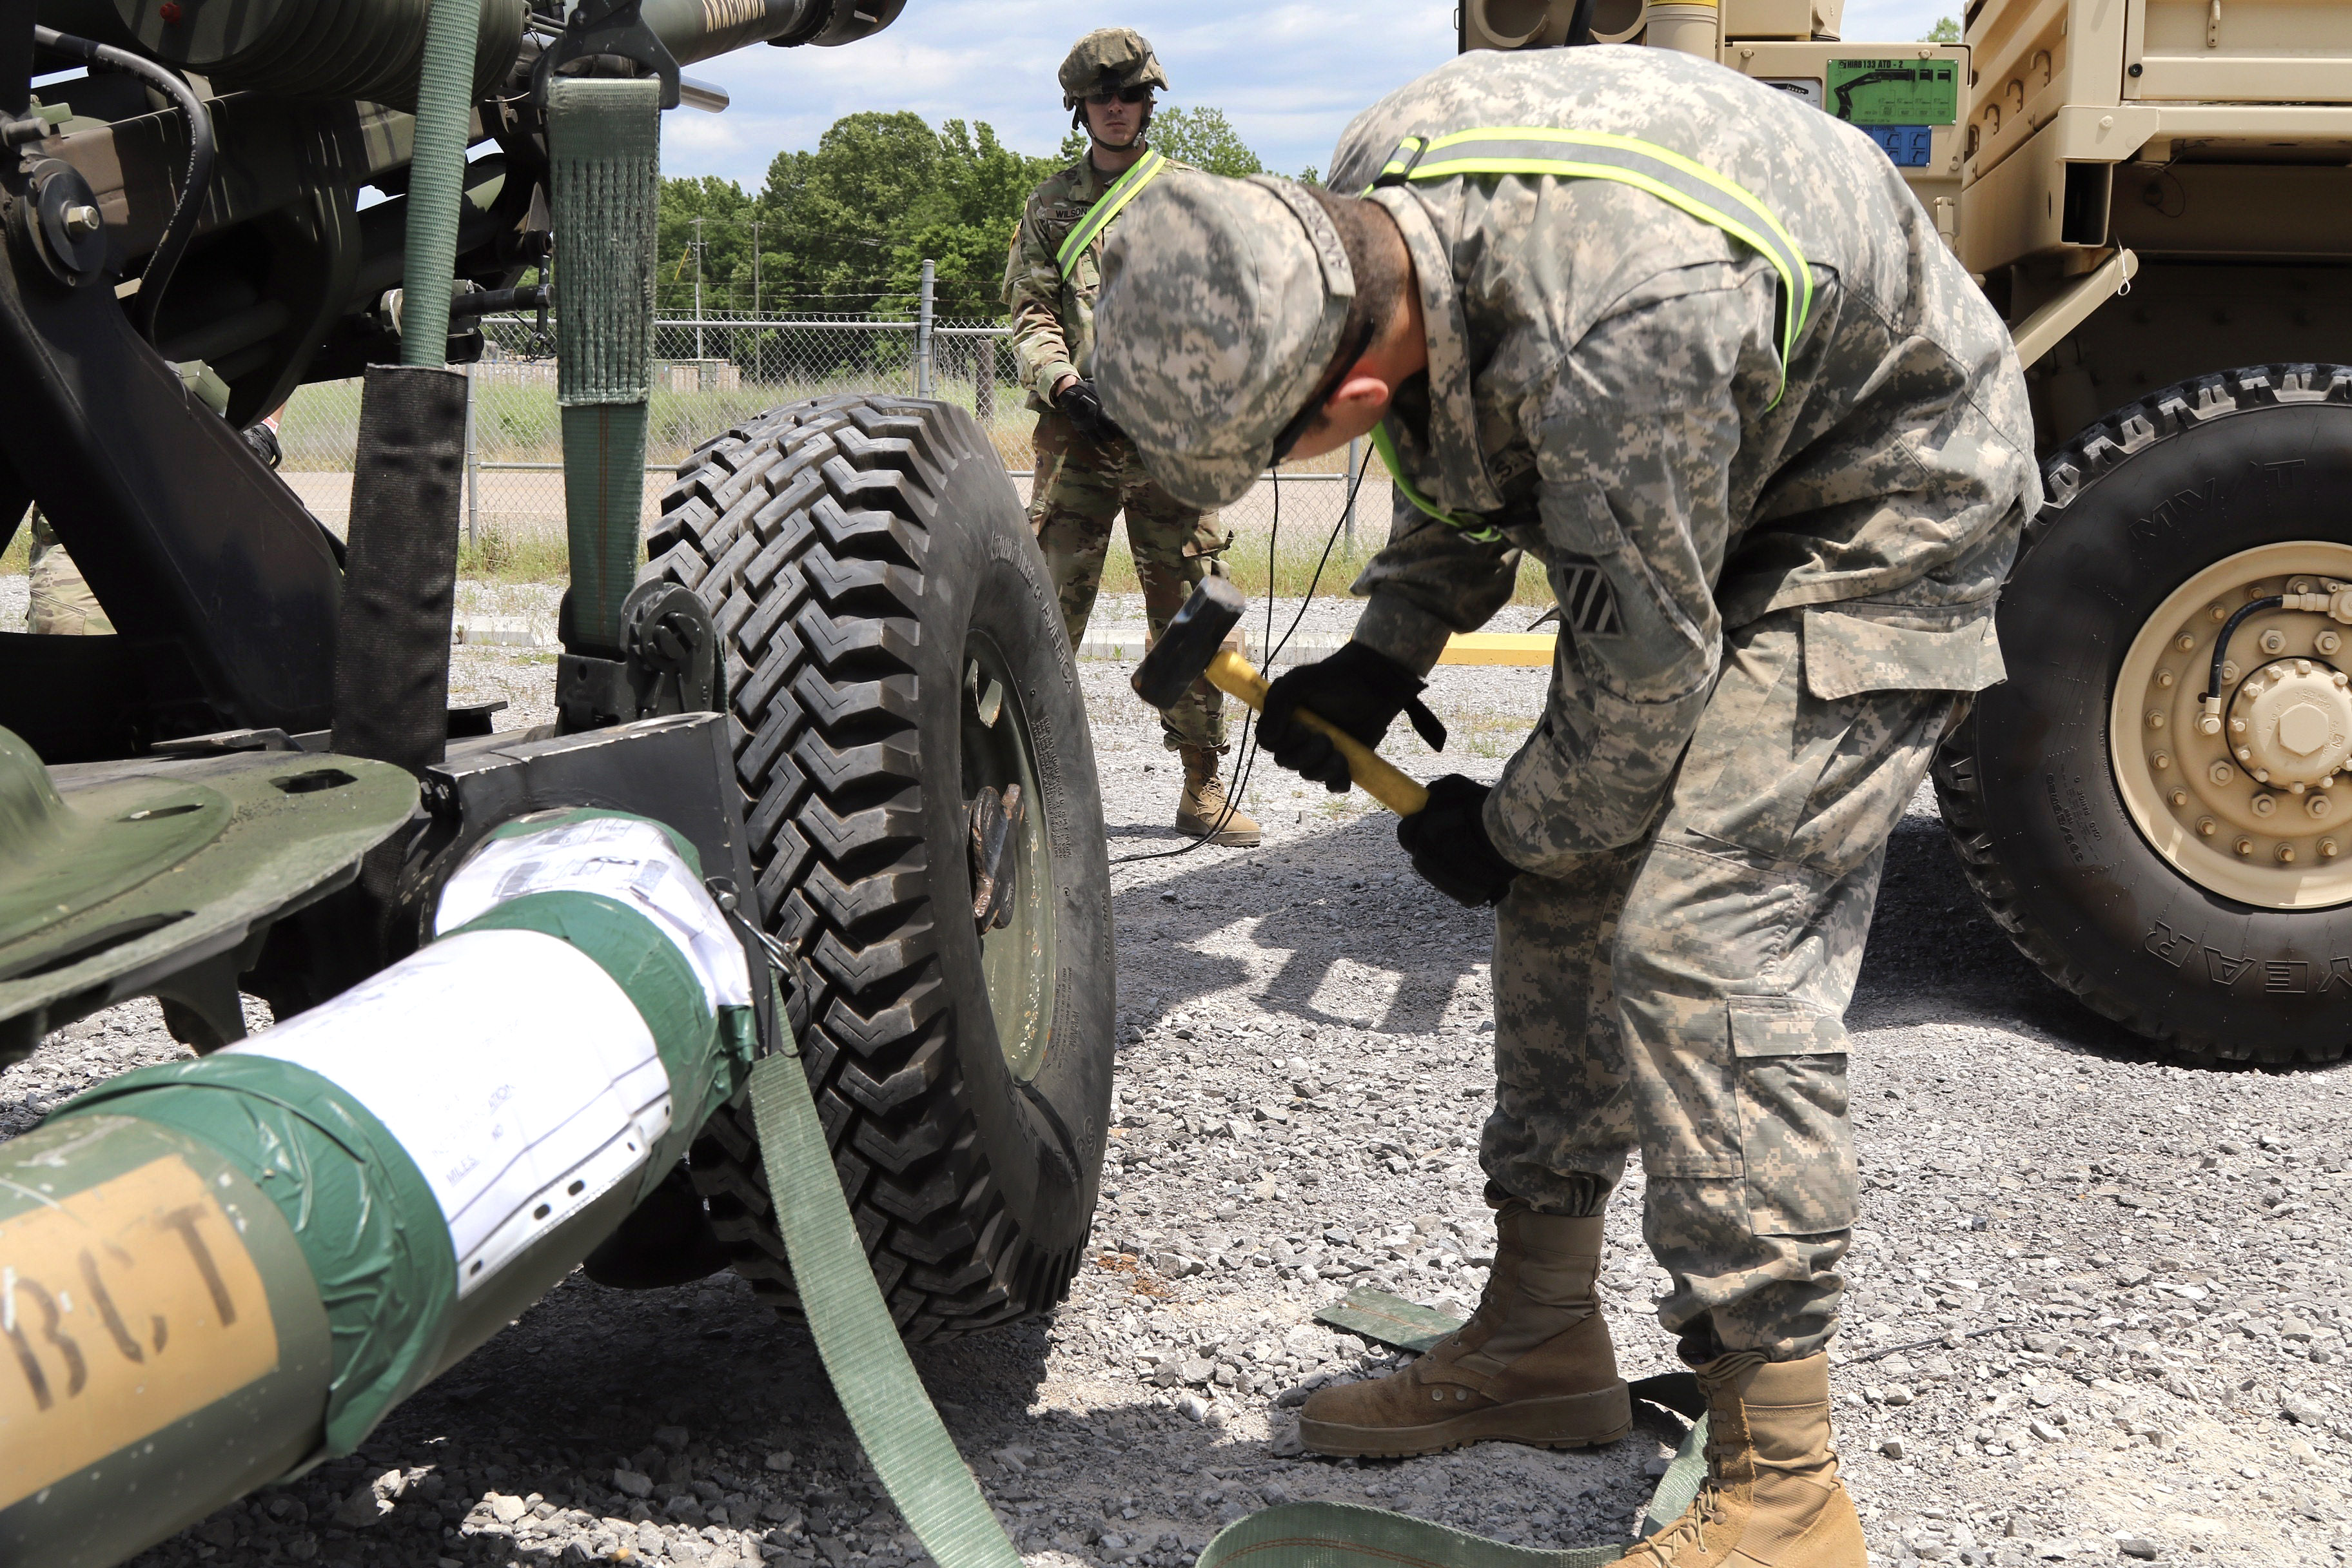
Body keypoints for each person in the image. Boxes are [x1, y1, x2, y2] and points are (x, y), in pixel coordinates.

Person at [1090, 44, 2035, 1568]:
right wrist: (1384, 647)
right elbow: (1470, 444)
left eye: (1283, 450)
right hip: (1716, 450)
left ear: (1350, 387)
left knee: (1700, 933)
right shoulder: (1373, 202)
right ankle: (1541, 1338)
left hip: (1880, 501)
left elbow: (1643, 681)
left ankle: (1788, 1487)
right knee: (1569, 889)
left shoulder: (1624, 336)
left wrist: (1510, 821)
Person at [1001, 27, 1259, 845]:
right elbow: (1032, 313)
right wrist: (1066, 385)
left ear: (1150, 102)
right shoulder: (1049, 207)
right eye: (1102, 97)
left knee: (1189, 609)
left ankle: (1200, 782)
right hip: (1077, 443)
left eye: (1132, 95)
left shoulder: (1189, 197)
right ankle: (1014, 785)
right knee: (1042, 612)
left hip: (1171, 445)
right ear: (1079, 109)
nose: (1118, 109)